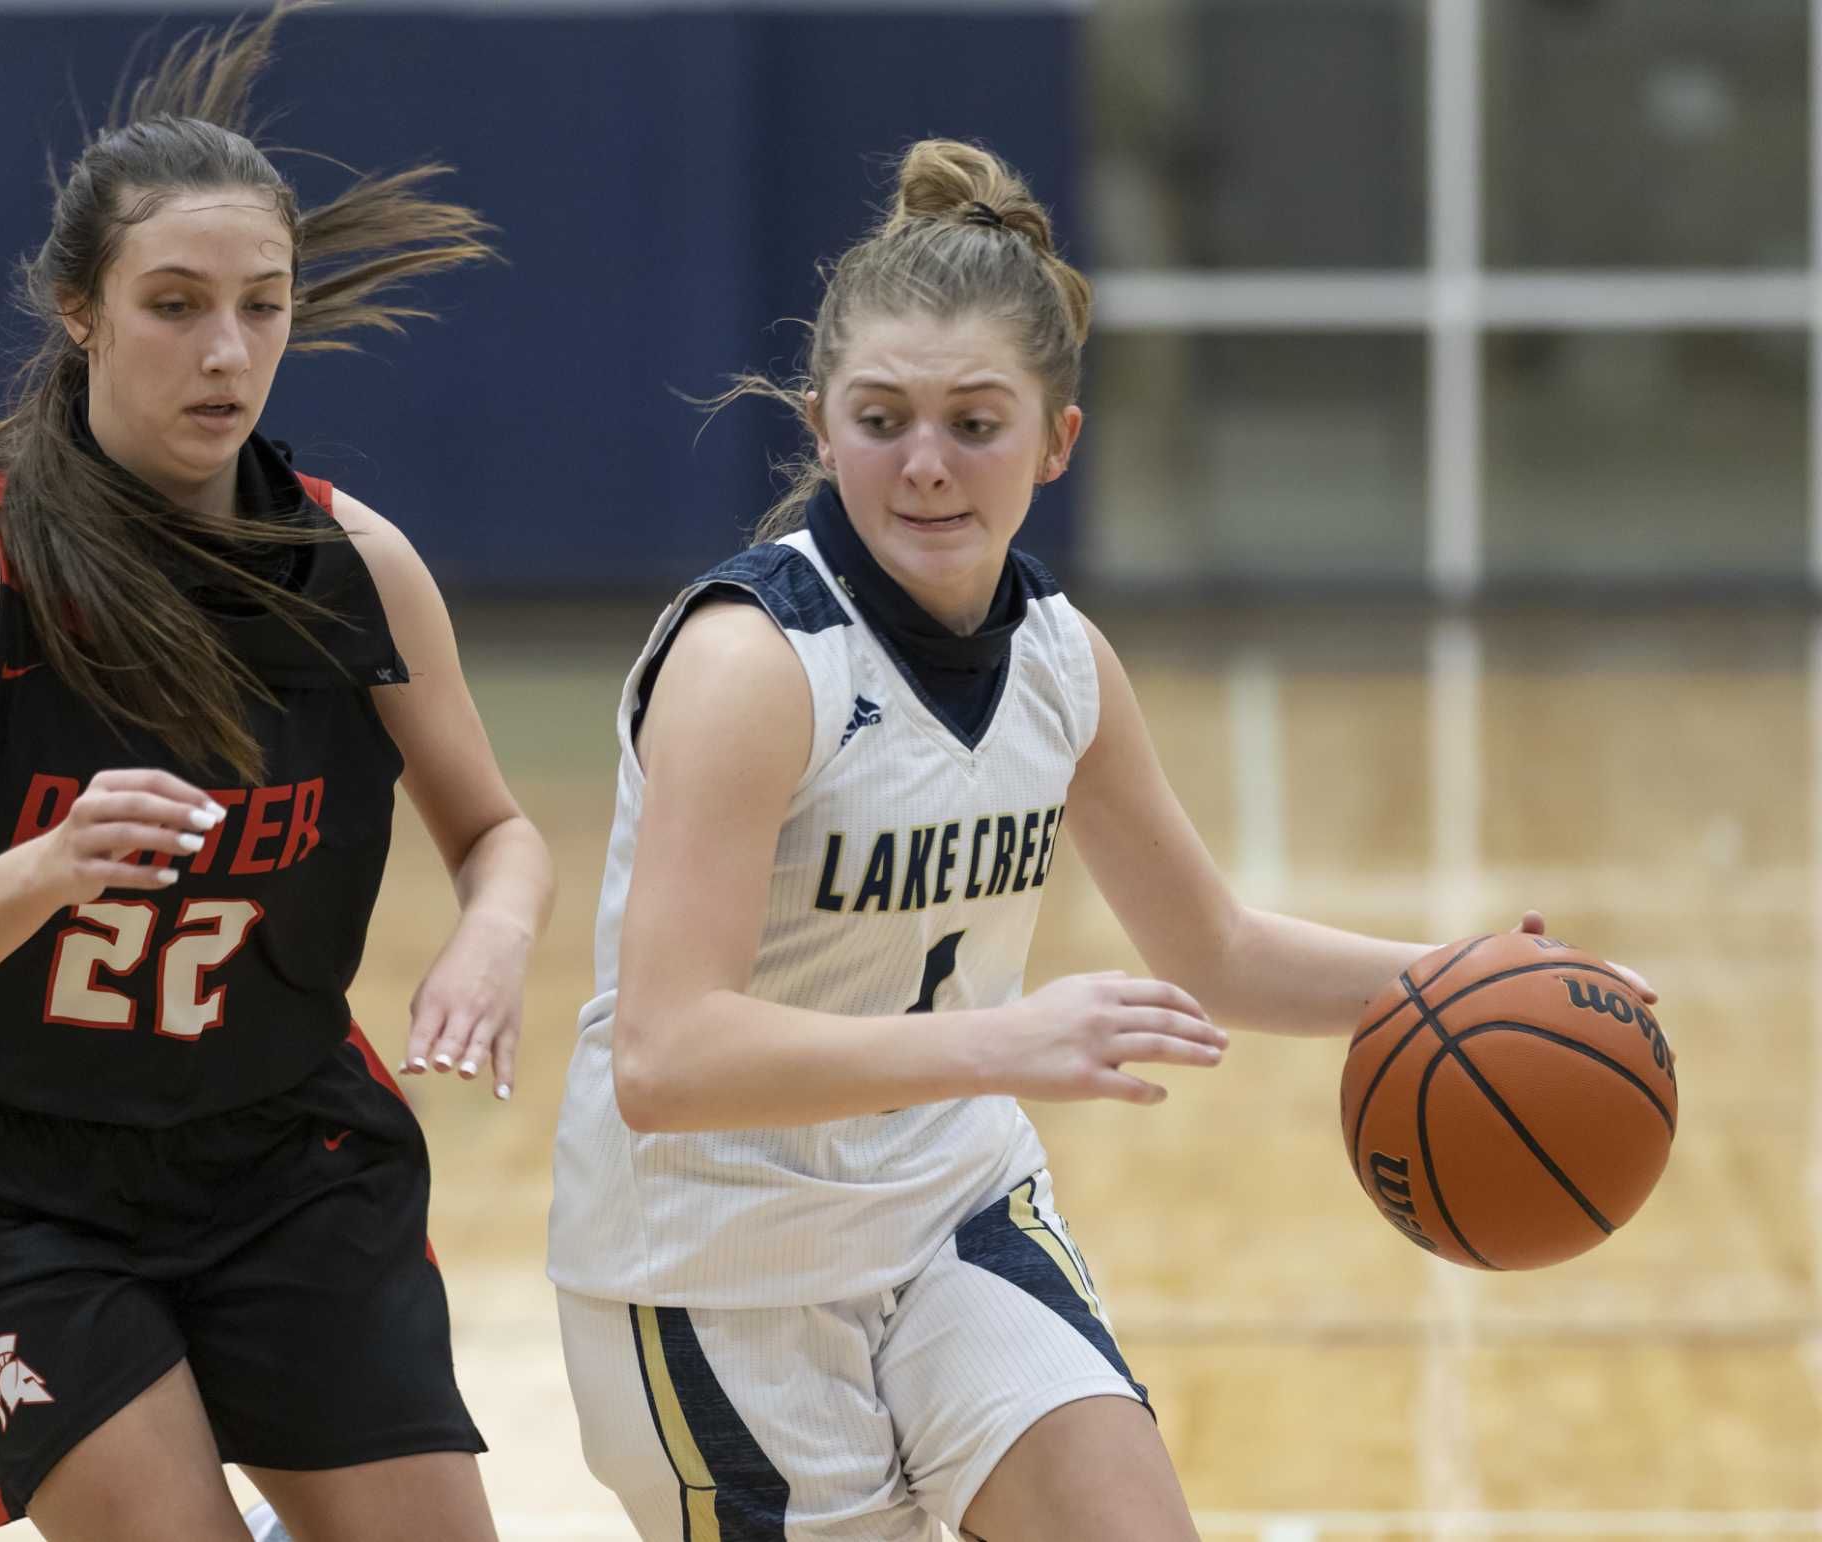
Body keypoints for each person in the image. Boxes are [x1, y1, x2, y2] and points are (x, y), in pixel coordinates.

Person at [546, 140, 1654, 1541]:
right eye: (882, 420)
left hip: (946, 1206)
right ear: (821, 428)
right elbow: (663, 1057)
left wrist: (1488, 983)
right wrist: (998, 1045)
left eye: (975, 421)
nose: (926, 464)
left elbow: (1219, 950)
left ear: (1058, 440)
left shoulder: (1063, 659)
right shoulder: (756, 664)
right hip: (713, 1263)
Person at [0, 6, 552, 1539]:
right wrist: (45, 867)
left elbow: (498, 829)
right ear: (79, 308)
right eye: (175, 304)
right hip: (8, 1179)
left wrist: (493, 929)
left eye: (263, 306)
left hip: (277, 1146)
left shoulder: (358, 563)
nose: (226, 351)